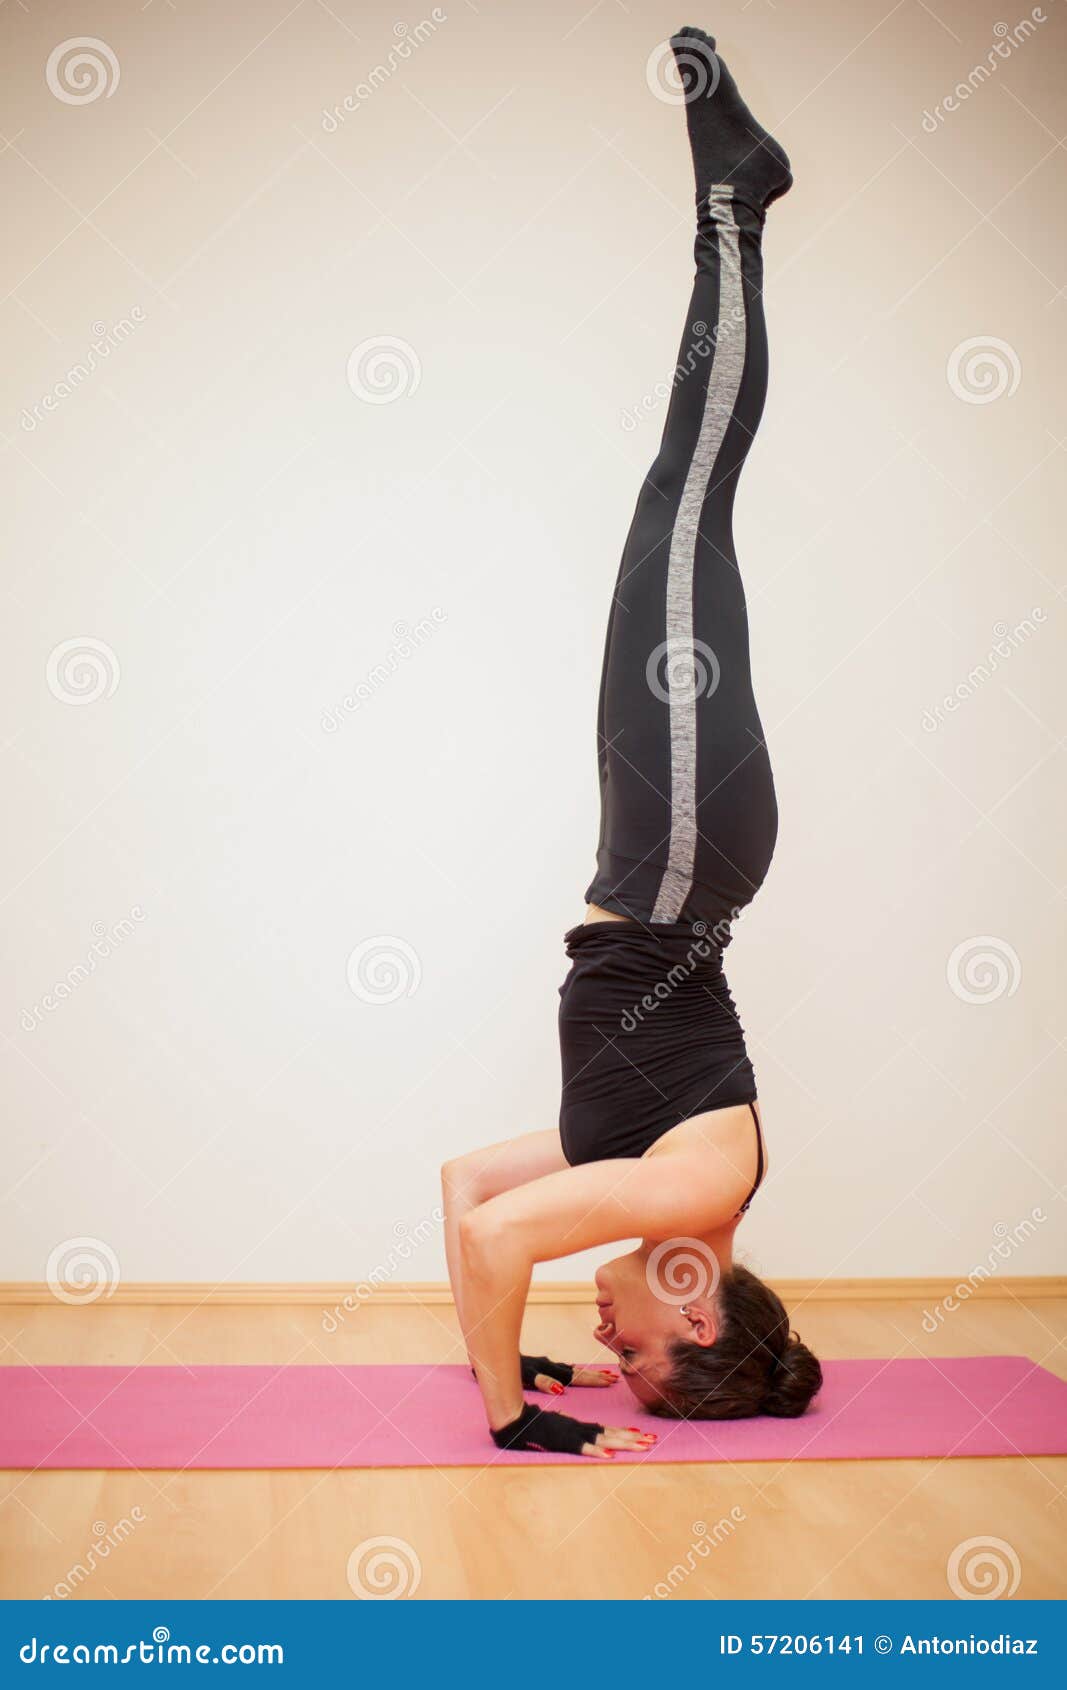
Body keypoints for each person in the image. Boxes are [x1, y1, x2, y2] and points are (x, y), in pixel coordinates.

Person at [442, 27, 822, 1459]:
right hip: (679, 853)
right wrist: (516, 1422)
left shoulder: (648, 1165)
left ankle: (733, 204)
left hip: (670, 854)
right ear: (699, 1311)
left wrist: (509, 1352)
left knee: (682, 501)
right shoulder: (679, 1195)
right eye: (644, 1356)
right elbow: (502, 1237)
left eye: (612, 1363)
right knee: (689, 487)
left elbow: (469, 1194)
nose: (614, 1344)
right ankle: (736, 204)